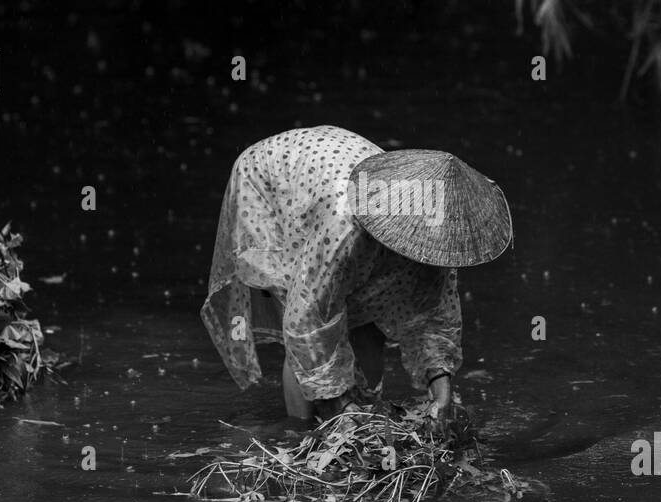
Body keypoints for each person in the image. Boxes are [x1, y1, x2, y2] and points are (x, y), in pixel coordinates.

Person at [200, 124, 512, 421]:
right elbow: (307, 320)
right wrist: (341, 408)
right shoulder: (344, 229)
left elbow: (435, 316)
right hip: (273, 179)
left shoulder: (440, 233)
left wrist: (441, 390)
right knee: (306, 330)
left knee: (367, 325)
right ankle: (301, 433)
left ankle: (361, 409)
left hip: (330, 163)